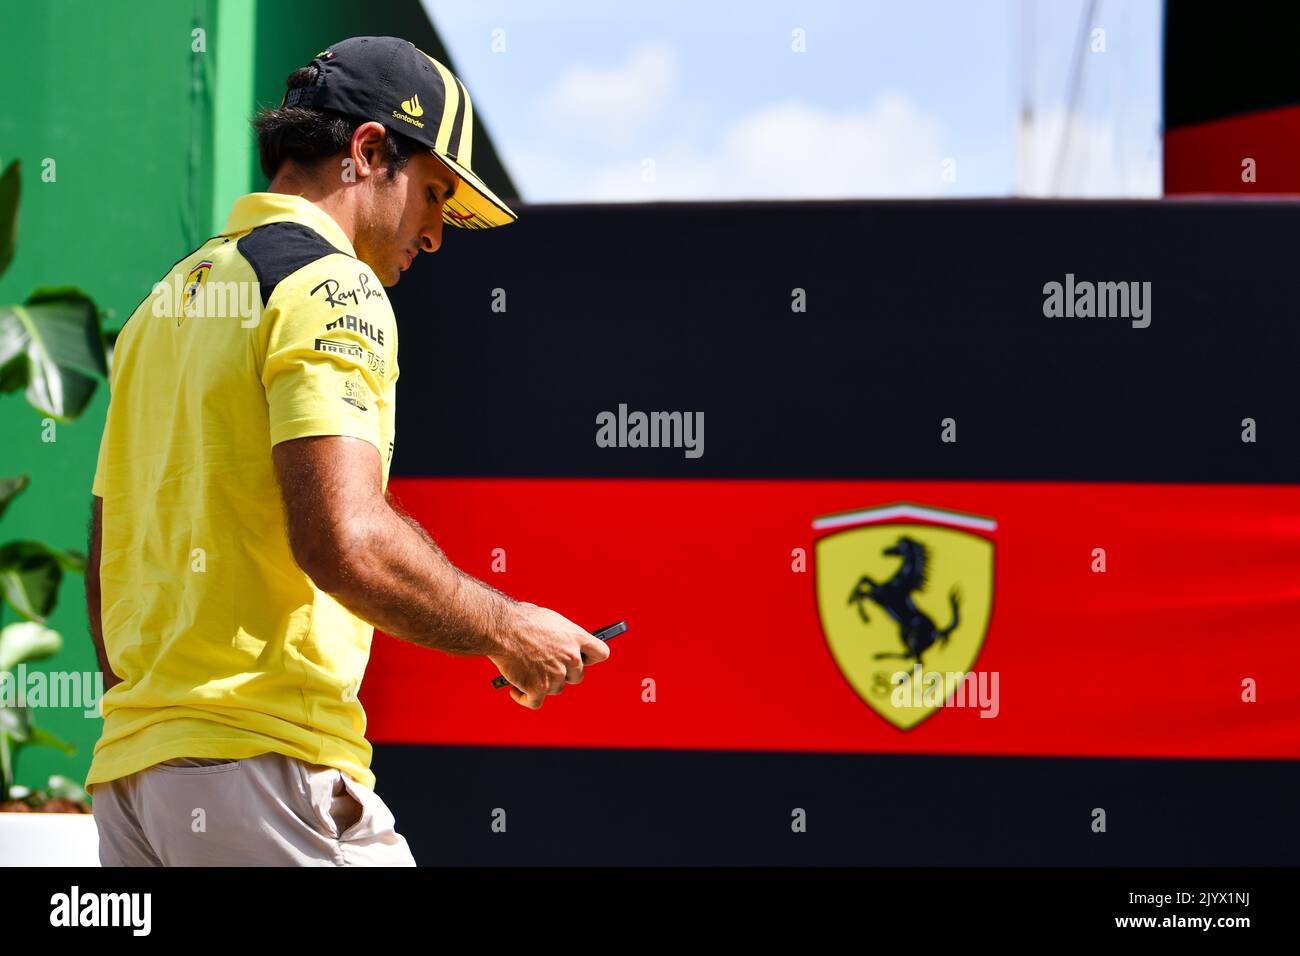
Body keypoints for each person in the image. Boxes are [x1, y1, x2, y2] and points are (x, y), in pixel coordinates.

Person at [84, 36, 609, 867]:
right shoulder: (334, 285)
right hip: (266, 773)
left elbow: (106, 556)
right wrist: (509, 628)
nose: (434, 234)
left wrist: (167, 725)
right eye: (433, 195)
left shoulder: (162, 306)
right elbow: (346, 539)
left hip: (135, 783)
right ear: (368, 152)